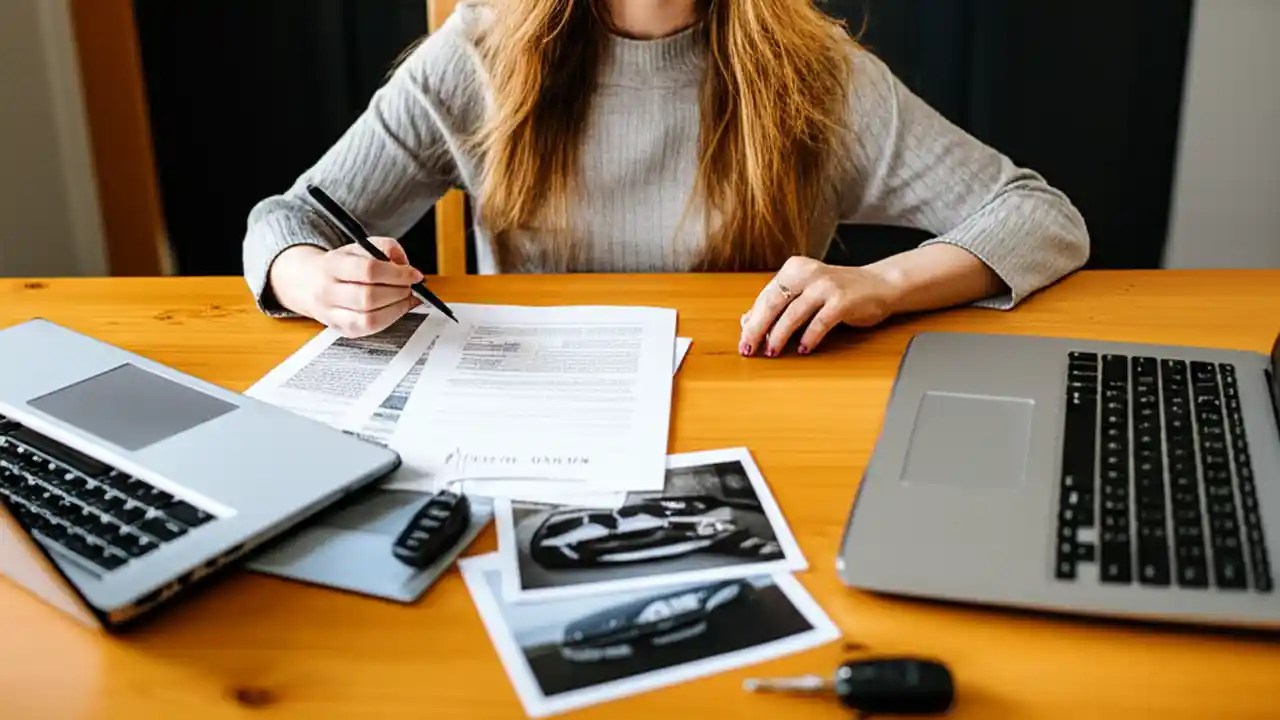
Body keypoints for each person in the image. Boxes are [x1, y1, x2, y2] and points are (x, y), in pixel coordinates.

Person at [243, 0, 1089, 357]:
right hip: (529, 421)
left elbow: (1038, 214)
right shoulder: (479, 52)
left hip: (756, 415)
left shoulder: (817, 75)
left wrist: (883, 282)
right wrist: (311, 276)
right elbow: (287, 218)